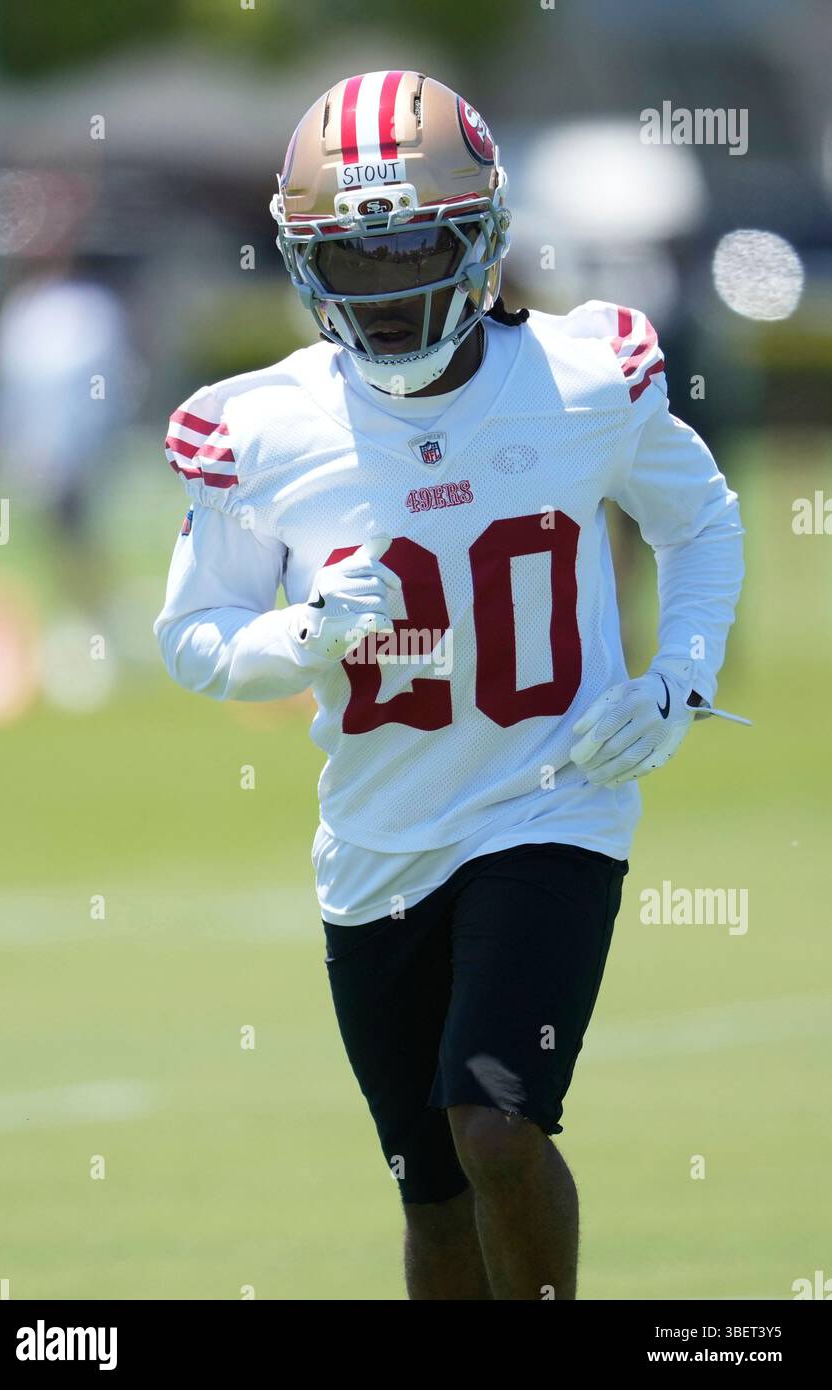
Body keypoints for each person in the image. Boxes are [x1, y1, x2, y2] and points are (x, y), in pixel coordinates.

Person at [154, 71, 744, 1300]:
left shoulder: (587, 375)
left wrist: (678, 679)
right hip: (375, 837)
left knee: (495, 1123)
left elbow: (699, 521)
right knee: (430, 1189)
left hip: (551, 797)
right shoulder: (260, 425)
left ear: (477, 236)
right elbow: (192, 639)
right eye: (351, 258)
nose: (386, 284)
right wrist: (304, 631)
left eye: (413, 245)